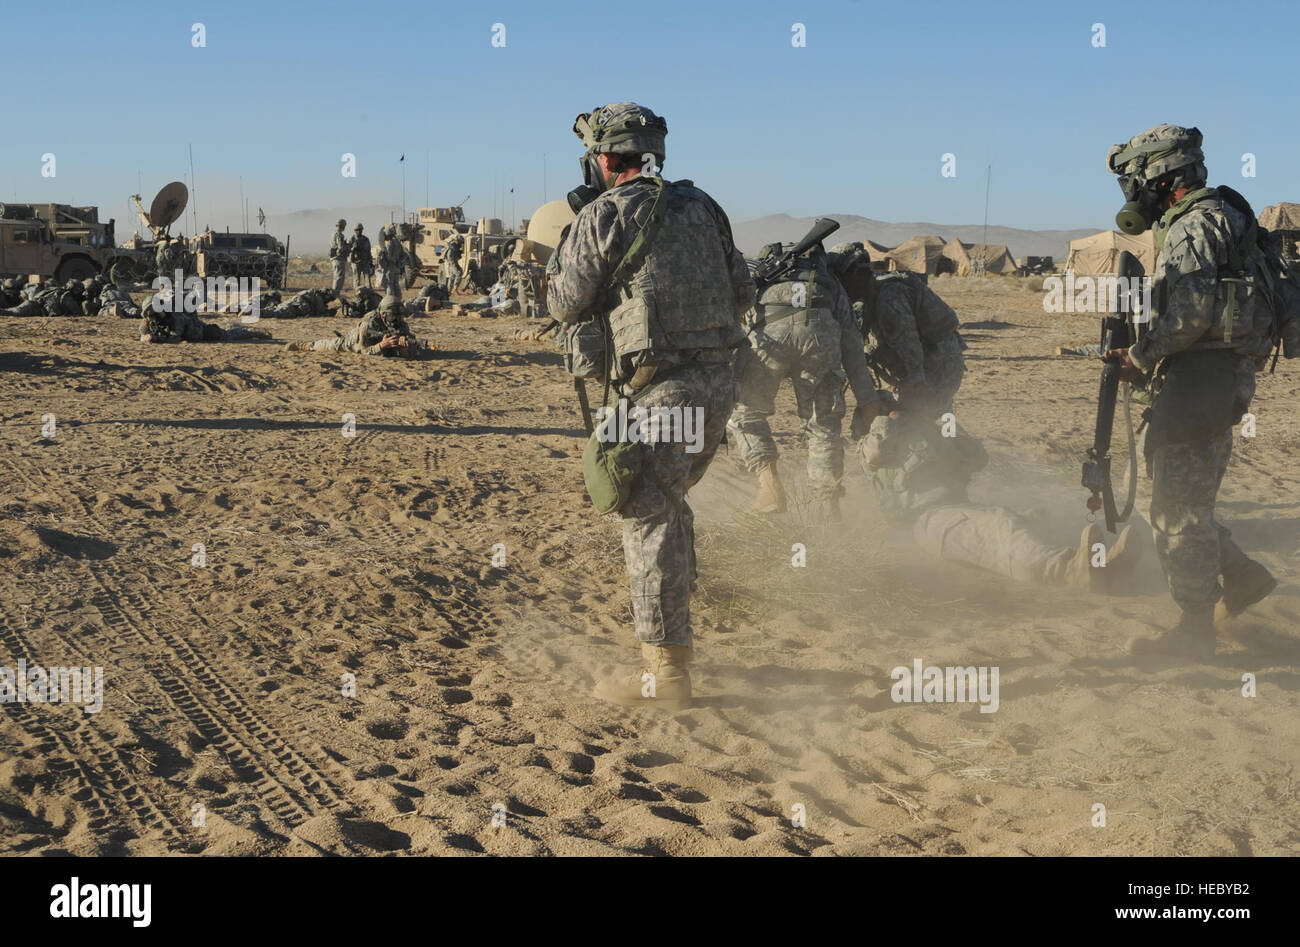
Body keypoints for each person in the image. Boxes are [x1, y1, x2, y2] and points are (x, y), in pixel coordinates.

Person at [546, 102, 755, 709]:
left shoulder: (606, 215)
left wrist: (571, 238)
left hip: (662, 393)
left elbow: (564, 302)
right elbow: (740, 290)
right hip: (718, 389)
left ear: (605, 159)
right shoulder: (705, 207)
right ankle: (677, 638)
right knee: (669, 505)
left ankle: (667, 677)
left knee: (646, 517)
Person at [1104, 124, 1276, 658]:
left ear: (1160, 176)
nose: (1133, 194)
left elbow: (1191, 313)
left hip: (1204, 377)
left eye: (1135, 179)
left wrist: (1138, 356)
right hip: (1213, 375)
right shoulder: (1221, 215)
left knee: (1176, 510)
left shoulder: (1196, 225)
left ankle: (1196, 630)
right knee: (1187, 499)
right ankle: (1244, 578)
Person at [859, 402, 1139, 590]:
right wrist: (886, 421)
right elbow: (876, 453)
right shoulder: (872, 443)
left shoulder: (923, 433)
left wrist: (941, 426)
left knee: (1030, 519)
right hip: (927, 521)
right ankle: (1067, 571)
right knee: (1001, 531)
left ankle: (1104, 569)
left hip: (959, 509)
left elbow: (978, 458)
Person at [726, 242, 881, 519]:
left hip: (769, 333)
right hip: (822, 333)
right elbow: (852, 347)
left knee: (746, 413)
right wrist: (868, 400)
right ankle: (828, 511)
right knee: (823, 425)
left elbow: (741, 321)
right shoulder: (829, 282)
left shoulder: (763, 276)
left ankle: (769, 486)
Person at [829, 242, 966, 419]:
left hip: (935, 368)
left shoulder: (889, 298)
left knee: (918, 423)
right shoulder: (860, 299)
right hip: (910, 372)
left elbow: (909, 347)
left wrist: (914, 389)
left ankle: (962, 445)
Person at [284, 294, 425, 357]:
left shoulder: (400, 323)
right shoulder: (368, 323)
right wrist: (382, 346)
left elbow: (412, 348)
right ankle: (307, 345)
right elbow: (363, 351)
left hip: (380, 344)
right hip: (356, 341)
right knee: (333, 345)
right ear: (383, 315)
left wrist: (406, 346)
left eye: (399, 316)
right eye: (393, 316)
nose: (396, 320)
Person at [376, 225, 409, 301]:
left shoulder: (390, 243)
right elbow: (404, 255)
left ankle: (390, 301)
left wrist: (383, 256)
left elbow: (389, 257)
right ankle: (398, 300)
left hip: (390, 268)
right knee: (396, 285)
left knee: (389, 286)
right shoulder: (398, 242)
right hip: (397, 268)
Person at [260, 287, 337, 319]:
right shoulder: (318, 297)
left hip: (291, 306)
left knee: (272, 310)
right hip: (291, 309)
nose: (329, 300)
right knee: (273, 313)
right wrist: (331, 312)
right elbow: (321, 312)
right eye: (329, 299)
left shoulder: (314, 294)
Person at [349, 223, 373, 290]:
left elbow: (368, 250)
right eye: (356, 230)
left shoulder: (365, 239)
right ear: (354, 230)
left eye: (360, 230)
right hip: (356, 262)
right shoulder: (352, 239)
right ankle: (357, 294)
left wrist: (370, 261)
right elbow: (347, 250)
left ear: (362, 230)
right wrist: (352, 249)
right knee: (356, 280)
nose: (358, 231)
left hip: (365, 261)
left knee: (367, 279)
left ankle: (369, 293)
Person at [329, 219, 349, 295]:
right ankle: (335, 293)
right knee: (339, 277)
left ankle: (334, 292)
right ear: (342, 226)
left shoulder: (333, 233)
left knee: (336, 276)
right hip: (338, 258)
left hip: (334, 258)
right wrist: (348, 246)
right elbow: (341, 248)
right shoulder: (339, 234)